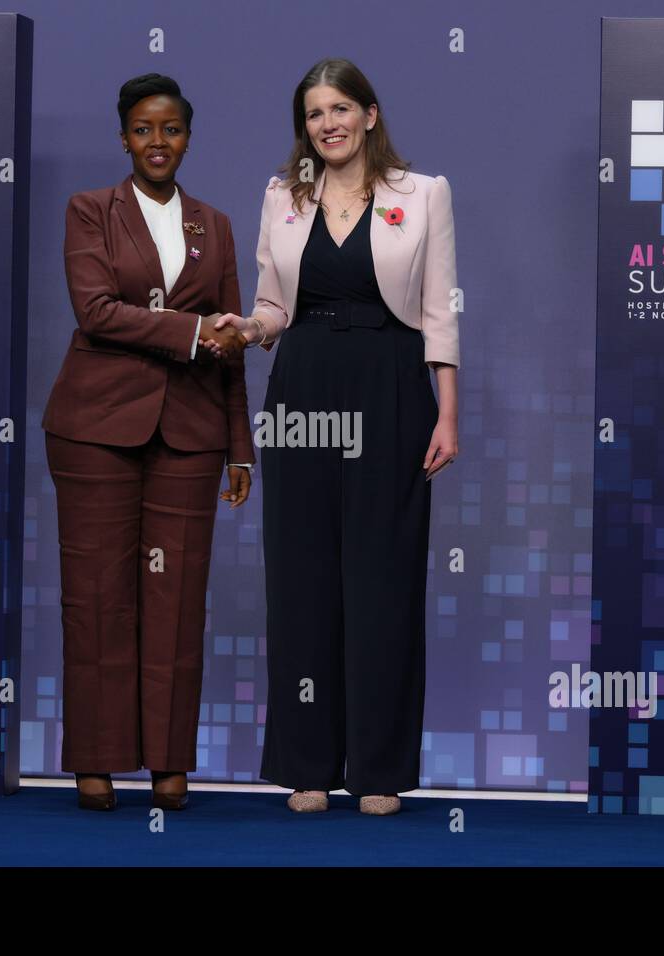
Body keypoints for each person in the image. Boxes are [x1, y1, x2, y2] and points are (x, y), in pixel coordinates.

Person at [212, 58, 460, 815]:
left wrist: (448, 413)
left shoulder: (423, 195)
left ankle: (378, 770)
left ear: (371, 115)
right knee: (302, 575)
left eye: (341, 108)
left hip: (390, 387)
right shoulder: (281, 197)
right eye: (315, 113)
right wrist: (248, 327)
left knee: (382, 578)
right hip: (304, 390)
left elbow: (441, 311)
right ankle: (308, 765)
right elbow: (271, 302)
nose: (328, 123)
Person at [41, 73, 253, 812]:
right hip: (96, 430)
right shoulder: (89, 212)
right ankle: (95, 761)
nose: (157, 142)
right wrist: (193, 332)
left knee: (177, 601)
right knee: (98, 598)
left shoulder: (216, 225)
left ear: (187, 136)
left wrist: (240, 445)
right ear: (123, 137)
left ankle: (169, 763)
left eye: (170, 129)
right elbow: (97, 312)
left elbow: (233, 343)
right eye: (142, 129)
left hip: (190, 435)